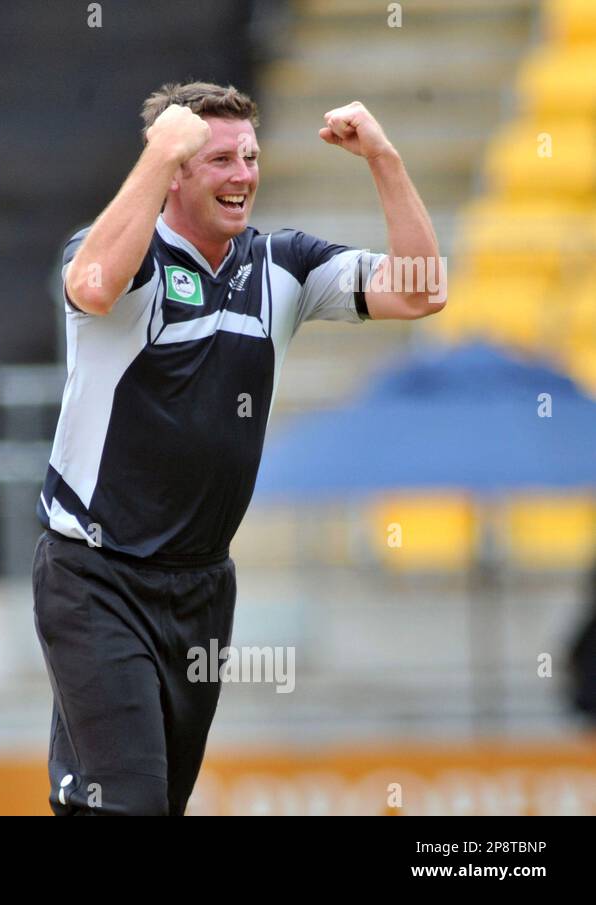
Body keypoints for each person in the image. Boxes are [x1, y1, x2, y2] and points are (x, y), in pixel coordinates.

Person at [34, 82, 444, 815]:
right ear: (175, 171)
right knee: (129, 802)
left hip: (201, 590)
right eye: (218, 159)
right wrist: (161, 149)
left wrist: (383, 156)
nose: (243, 175)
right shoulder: (124, 258)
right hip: (95, 575)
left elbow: (419, 292)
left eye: (250, 157)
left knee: (125, 801)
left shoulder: (281, 265)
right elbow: (94, 288)